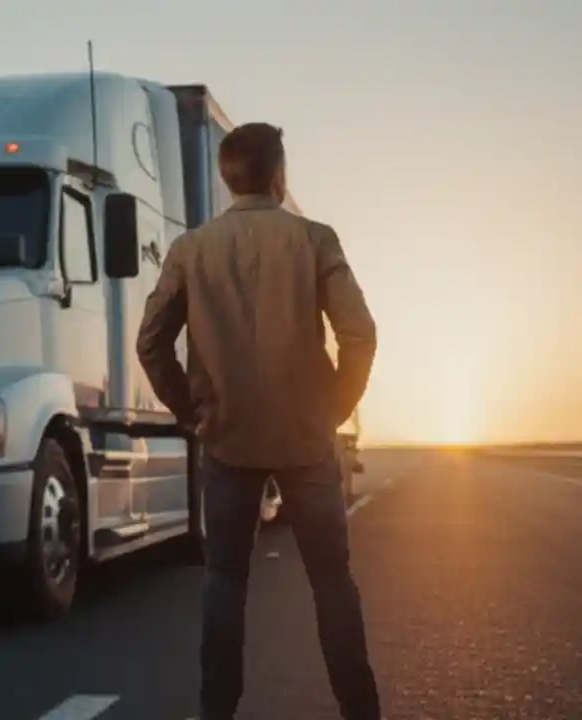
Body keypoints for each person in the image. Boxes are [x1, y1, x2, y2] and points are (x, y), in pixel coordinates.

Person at [136, 123, 381, 720]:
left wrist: (192, 410)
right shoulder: (314, 238)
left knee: (225, 580)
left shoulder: (191, 249)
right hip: (306, 438)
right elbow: (359, 334)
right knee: (332, 581)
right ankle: (360, 711)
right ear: (279, 175)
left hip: (226, 438)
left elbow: (151, 343)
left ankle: (216, 711)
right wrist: (334, 408)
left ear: (227, 179)